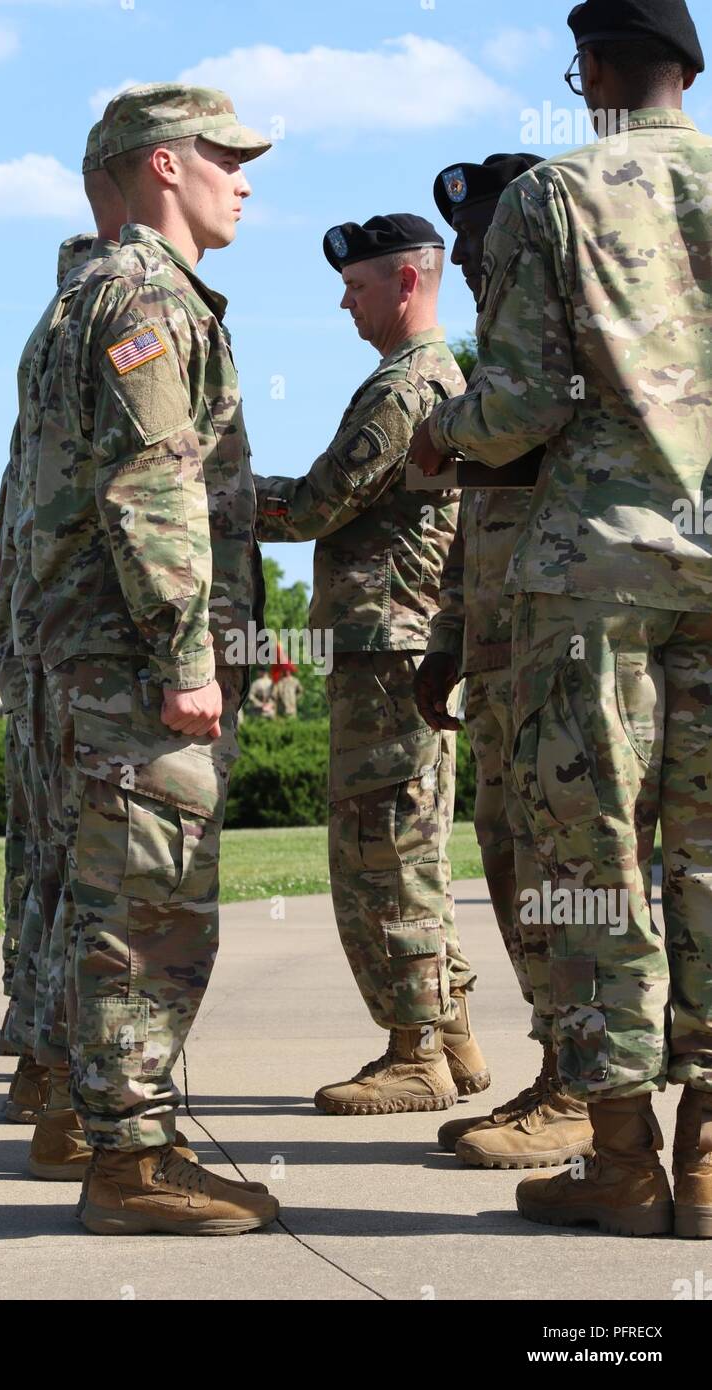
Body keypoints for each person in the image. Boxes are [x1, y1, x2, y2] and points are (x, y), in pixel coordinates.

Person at [409, 0, 712, 1239]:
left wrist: (443, 438)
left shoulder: (557, 194)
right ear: (685, 69)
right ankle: (706, 1166)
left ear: (589, 69)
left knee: (590, 861)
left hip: (593, 573)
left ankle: (621, 1157)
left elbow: (523, 396)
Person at [33, 83, 279, 1234]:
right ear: (161, 165)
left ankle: (124, 1138)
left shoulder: (104, 292)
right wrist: (190, 654)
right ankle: (130, 1163)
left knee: (133, 897)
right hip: (136, 663)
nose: (243, 176)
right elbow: (151, 486)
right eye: (224, 154)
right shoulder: (139, 296)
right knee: (155, 908)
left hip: (104, 655)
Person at [255, 215, 488, 1116]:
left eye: (356, 287)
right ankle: (453, 1034)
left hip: (389, 646)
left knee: (377, 851)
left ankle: (414, 1051)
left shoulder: (406, 386)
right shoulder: (430, 378)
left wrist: (211, 491)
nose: (342, 303)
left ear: (406, 283)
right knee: (412, 846)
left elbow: (319, 503)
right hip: (401, 643)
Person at [418, 155, 595, 1170]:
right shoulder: (501, 358)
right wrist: (448, 636)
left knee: (565, 869)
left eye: (492, 238)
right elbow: (472, 518)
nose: (478, 258)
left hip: (560, 652)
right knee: (507, 858)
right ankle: (555, 1070)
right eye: (470, 246)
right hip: (496, 657)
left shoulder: (570, 351)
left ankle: (580, 1090)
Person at [0, 123, 125, 1127]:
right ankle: (65, 1085)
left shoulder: (44, 362)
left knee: (46, 855)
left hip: (39, 641)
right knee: (85, 861)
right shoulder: (115, 323)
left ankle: (44, 1062)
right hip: (81, 646)